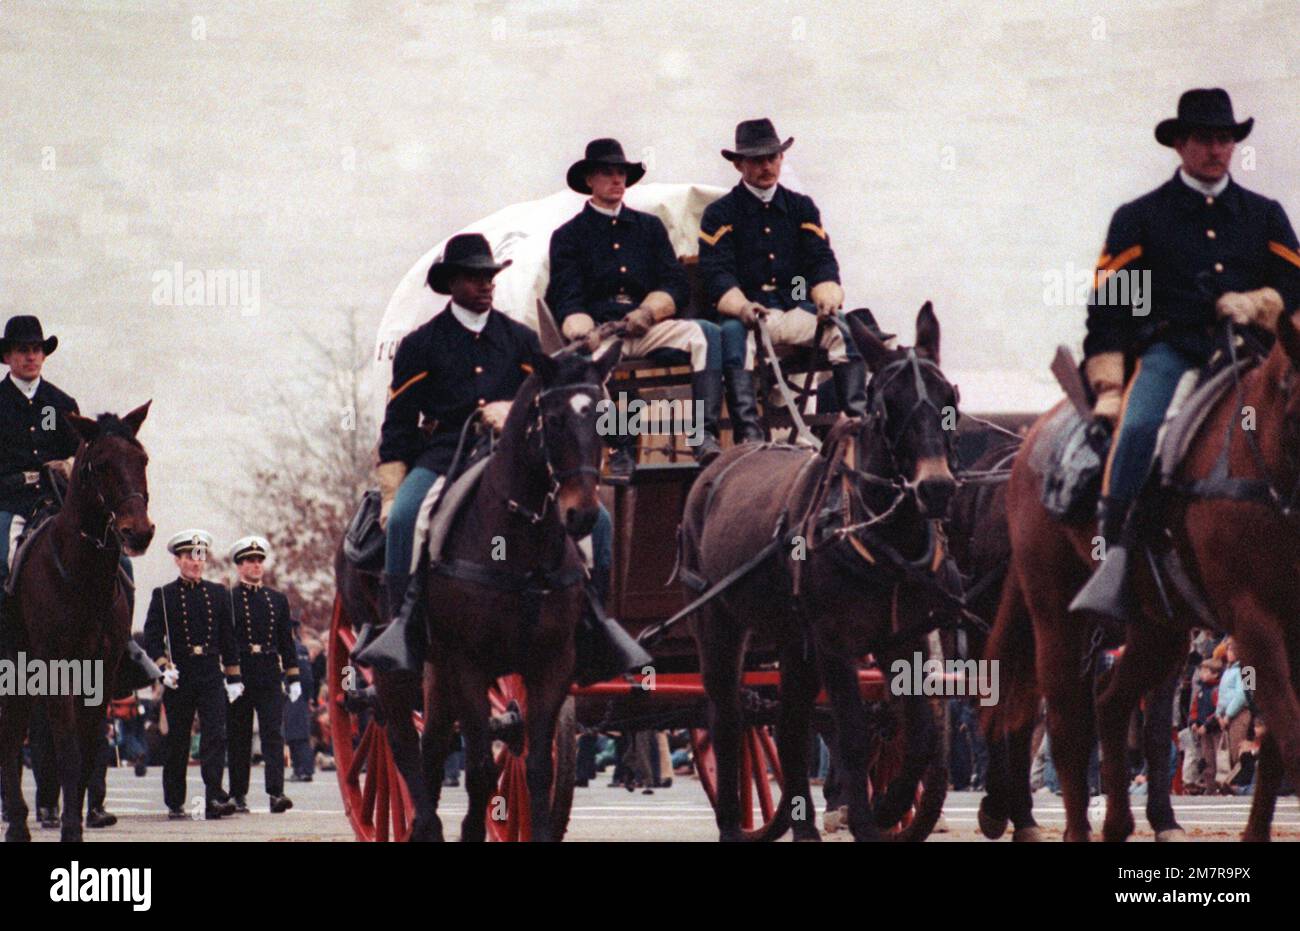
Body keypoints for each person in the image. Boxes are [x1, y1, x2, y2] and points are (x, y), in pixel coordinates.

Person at [1072, 88, 1300, 622]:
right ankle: (1116, 557)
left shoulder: (1265, 215)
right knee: (1139, 427)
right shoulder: (1140, 218)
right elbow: (1110, 307)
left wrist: (1260, 303)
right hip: (1174, 351)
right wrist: (1108, 384)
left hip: (1253, 355)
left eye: (1224, 139)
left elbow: (1296, 287)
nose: (1216, 149)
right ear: (1179, 145)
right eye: (1204, 139)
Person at [352, 233, 541, 674]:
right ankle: (402, 625)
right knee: (403, 520)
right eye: (476, 277)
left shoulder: (521, 340)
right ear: (452, 283)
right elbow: (398, 424)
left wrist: (512, 410)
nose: (487, 284)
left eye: (490, 276)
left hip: (511, 454)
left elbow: (545, 403)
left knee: (597, 521)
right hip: (444, 454)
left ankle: (594, 617)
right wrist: (393, 492)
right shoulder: (421, 344)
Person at [547, 138, 723, 472]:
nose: (616, 180)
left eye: (621, 173)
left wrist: (649, 311)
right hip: (601, 334)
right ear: (589, 181)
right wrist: (583, 330)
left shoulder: (649, 228)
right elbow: (566, 296)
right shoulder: (568, 236)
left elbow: (675, 282)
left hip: (646, 328)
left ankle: (703, 436)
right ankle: (620, 447)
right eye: (607, 173)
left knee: (708, 335)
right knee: (589, 363)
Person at [697, 119, 867, 443]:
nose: (766, 166)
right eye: (757, 160)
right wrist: (742, 307)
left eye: (772, 157)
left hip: (794, 312)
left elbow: (820, 260)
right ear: (738, 164)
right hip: (747, 318)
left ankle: (854, 421)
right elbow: (716, 273)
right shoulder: (720, 214)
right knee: (731, 338)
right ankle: (749, 435)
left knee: (845, 329)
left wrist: (828, 293)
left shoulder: (801, 208)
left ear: (781, 158)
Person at [142, 530, 242, 820]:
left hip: (210, 671)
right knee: (178, 739)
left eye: (200, 557)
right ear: (178, 560)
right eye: (190, 557)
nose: (196, 563)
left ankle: (215, 797)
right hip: (180, 673)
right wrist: (163, 666)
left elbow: (228, 638)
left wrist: (234, 676)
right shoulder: (164, 595)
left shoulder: (218, 593)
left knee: (215, 734)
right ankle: (175, 799)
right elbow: (152, 636)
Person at [224, 535, 299, 814]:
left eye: (259, 561)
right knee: (239, 735)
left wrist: (293, 675)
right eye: (249, 561)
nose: (256, 566)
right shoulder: (228, 599)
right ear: (239, 566)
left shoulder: (276, 600)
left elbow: (285, 640)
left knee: (272, 734)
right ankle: (237, 793)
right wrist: (230, 675)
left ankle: (276, 792)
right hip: (241, 671)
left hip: (268, 669)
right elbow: (226, 639)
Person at [284, 621, 315, 782]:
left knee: (298, 733)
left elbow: (306, 676)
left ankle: (304, 769)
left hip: (295, 693)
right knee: (293, 733)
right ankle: (300, 769)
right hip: (292, 694)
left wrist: (308, 697)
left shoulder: (295, 648)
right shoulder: (295, 647)